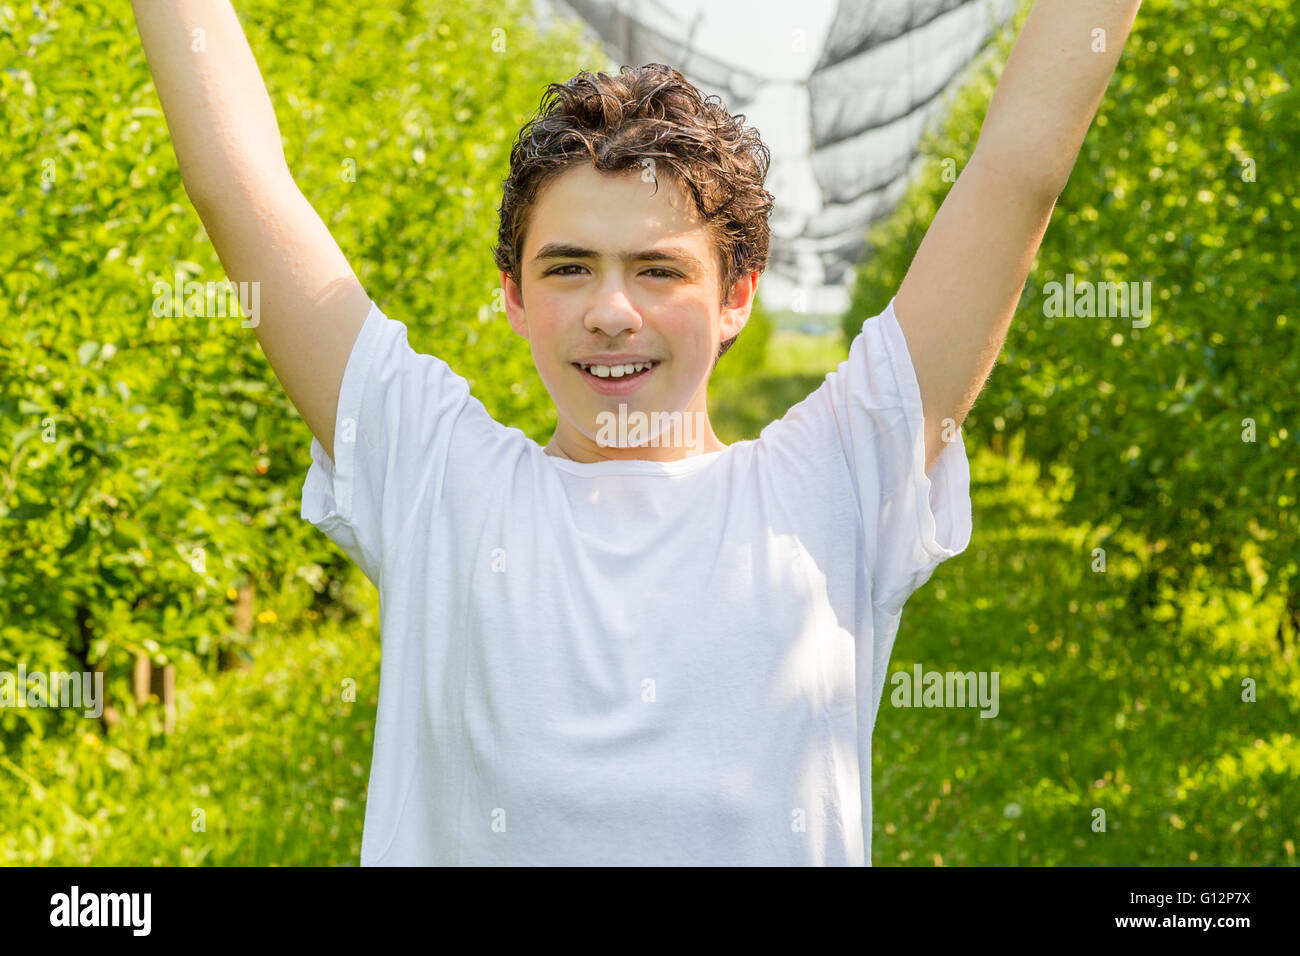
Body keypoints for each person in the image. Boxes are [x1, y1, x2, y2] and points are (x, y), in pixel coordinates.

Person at [132, 0, 1141, 865]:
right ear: (514, 298)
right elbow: (234, 179)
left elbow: (1019, 171)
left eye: (658, 270)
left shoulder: (836, 476)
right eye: (568, 268)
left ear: (737, 294)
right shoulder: (433, 473)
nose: (611, 311)